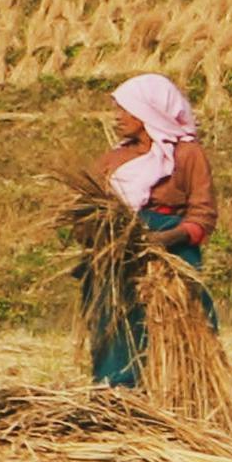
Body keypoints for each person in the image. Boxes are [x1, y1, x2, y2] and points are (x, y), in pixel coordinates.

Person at [85, 73, 217, 389]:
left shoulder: (187, 155)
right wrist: (103, 235)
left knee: (178, 318)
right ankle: (116, 388)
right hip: (119, 253)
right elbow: (88, 212)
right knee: (111, 313)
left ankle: (176, 389)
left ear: (149, 113)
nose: (117, 118)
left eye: (125, 110)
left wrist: (162, 240)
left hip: (171, 253)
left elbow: (203, 214)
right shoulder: (112, 160)